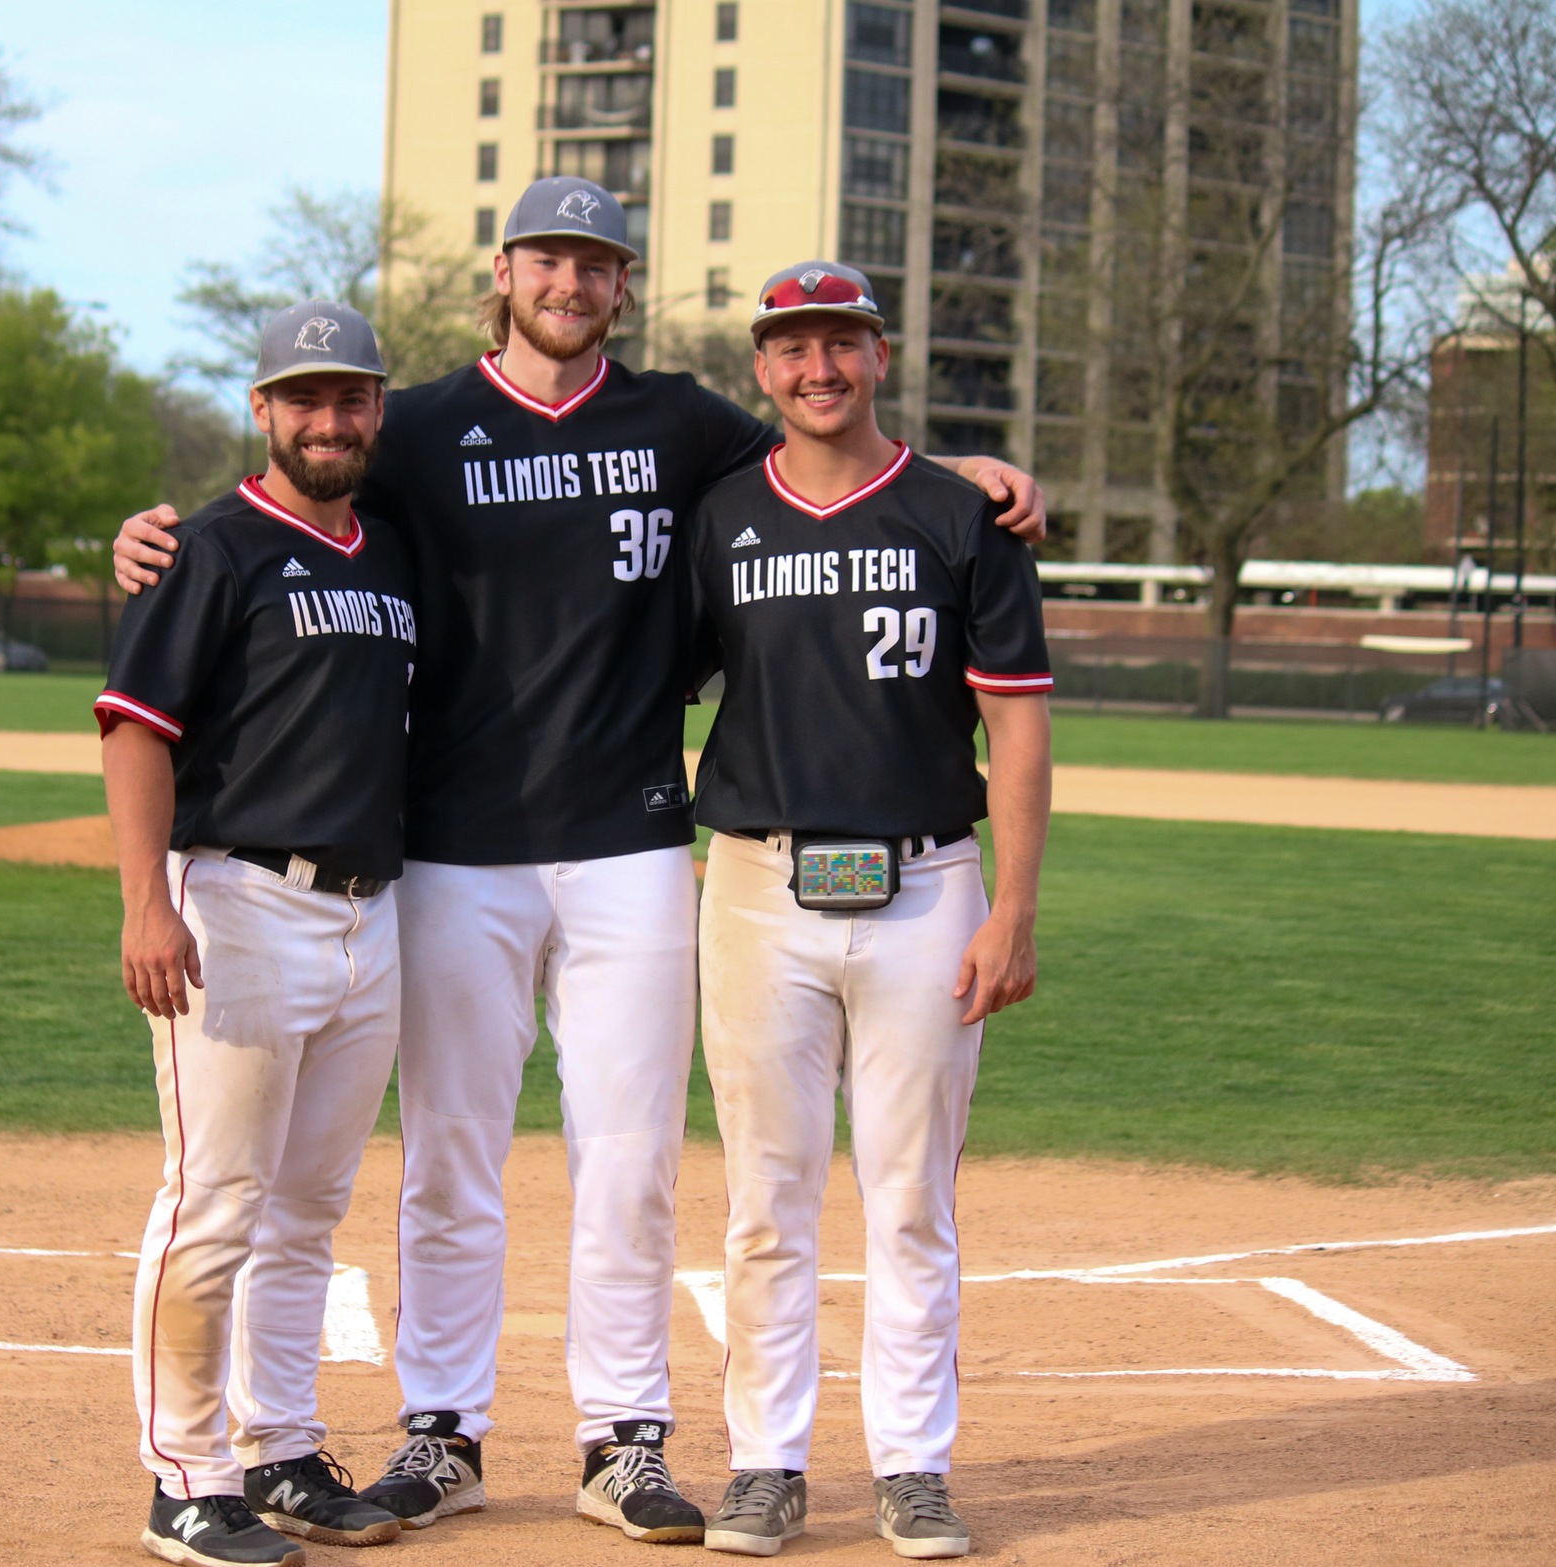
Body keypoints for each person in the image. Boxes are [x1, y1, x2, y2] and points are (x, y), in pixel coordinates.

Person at [109, 177, 1048, 1547]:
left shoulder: (680, 421)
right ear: (504, 272)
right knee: (447, 1153)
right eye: (547, 256)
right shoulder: (416, 422)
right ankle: (441, 1429)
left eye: (595, 261)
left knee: (628, 1155)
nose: (569, 279)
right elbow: (280, 496)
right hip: (451, 848)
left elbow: (833, 454)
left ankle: (623, 1433)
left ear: (620, 282)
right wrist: (155, 534)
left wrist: (982, 480)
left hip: (630, 840)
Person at [683, 262, 1053, 1561]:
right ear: (761, 366)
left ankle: (911, 1465)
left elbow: (1014, 725)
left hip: (924, 884)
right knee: (764, 1197)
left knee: (909, 1196)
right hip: (754, 882)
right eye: (791, 348)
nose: (815, 368)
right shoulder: (721, 514)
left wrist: (1010, 910)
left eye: (838, 343)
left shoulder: (959, 519)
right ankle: (764, 1462)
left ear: (877, 355)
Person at [101, 300, 420, 1567]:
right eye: (305, 398)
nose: (328, 420)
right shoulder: (209, 549)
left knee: (307, 1210)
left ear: (376, 413)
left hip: (367, 917)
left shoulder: (390, 554)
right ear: (263, 411)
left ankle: (282, 1448)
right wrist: (143, 901)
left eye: (349, 399)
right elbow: (135, 727)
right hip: (236, 904)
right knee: (214, 1200)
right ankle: (184, 1475)